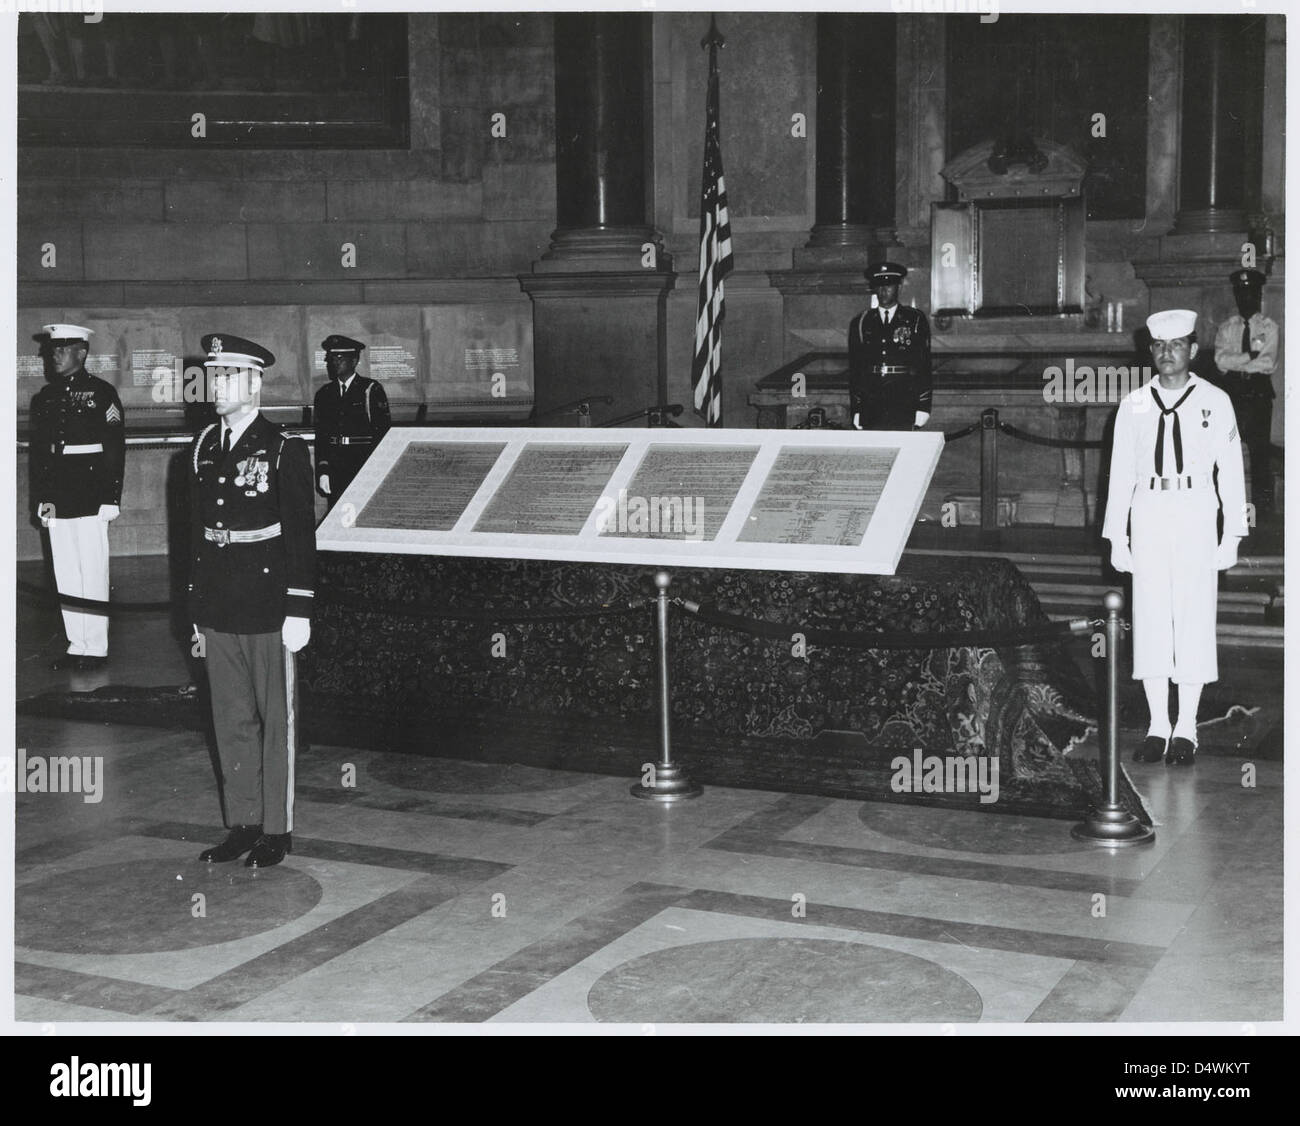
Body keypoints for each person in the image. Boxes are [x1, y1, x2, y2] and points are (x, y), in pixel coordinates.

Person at [190, 334, 315, 868]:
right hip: (219, 604)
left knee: (274, 722)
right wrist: (194, 612)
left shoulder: (284, 448)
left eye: (229, 376)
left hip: (267, 602)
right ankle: (242, 822)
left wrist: (300, 608)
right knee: (230, 719)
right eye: (213, 376)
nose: (217, 386)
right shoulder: (202, 447)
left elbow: (300, 534)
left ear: (256, 383)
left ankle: (276, 830)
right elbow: (194, 535)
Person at [1104, 309, 1248, 767]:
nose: (1168, 354)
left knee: (1192, 617)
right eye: (1160, 346)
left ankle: (1186, 727)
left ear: (1193, 350)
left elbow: (1232, 472)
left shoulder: (1215, 400)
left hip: (1196, 511)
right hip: (1148, 511)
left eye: (1178, 345)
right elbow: (1121, 474)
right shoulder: (1134, 405)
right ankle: (1156, 726)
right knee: (1149, 620)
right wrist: (1117, 536)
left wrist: (1233, 535)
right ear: (1151, 351)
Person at [30, 324, 125, 670]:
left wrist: (111, 496)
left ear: (82, 353)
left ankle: (95, 647)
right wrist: (42, 498)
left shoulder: (101, 393)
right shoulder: (45, 397)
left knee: (92, 571)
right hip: (58, 494)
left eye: (62, 349)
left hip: (90, 492)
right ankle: (77, 644)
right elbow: (41, 455)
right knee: (66, 572)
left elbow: (114, 448)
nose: (53, 355)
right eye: (52, 350)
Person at [1212, 267, 1279, 522]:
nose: (1245, 299)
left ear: (1258, 294)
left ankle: (1263, 516)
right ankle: (1224, 512)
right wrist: (1248, 356)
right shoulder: (1227, 328)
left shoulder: (1269, 328)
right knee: (1226, 452)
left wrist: (1237, 361)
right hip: (1233, 394)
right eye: (1241, 293)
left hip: (1258, 394)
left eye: (1250, 293)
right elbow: (1220, 361)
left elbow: (1267, 363)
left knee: (1260, 454)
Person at [848, 262, 932, 431]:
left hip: (903, 396)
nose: (883, 291)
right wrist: (857, 408)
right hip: (871, 399)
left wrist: (923, 405)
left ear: (898, 287)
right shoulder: (862, 322)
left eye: (889, 286)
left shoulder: (914, 319)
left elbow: (923, 365)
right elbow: (856, 369)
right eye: (879, 286)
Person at [312, 334, 391, 510]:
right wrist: (323, 471)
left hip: (362, 463)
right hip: (335, 467)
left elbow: (382, 432)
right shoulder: (324, 394)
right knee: (338, 513)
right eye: (332, 358)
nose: (334, 362)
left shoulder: (370, 389)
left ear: (354, 360)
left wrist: (377, 469)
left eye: (340, 358)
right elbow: (322, 437)